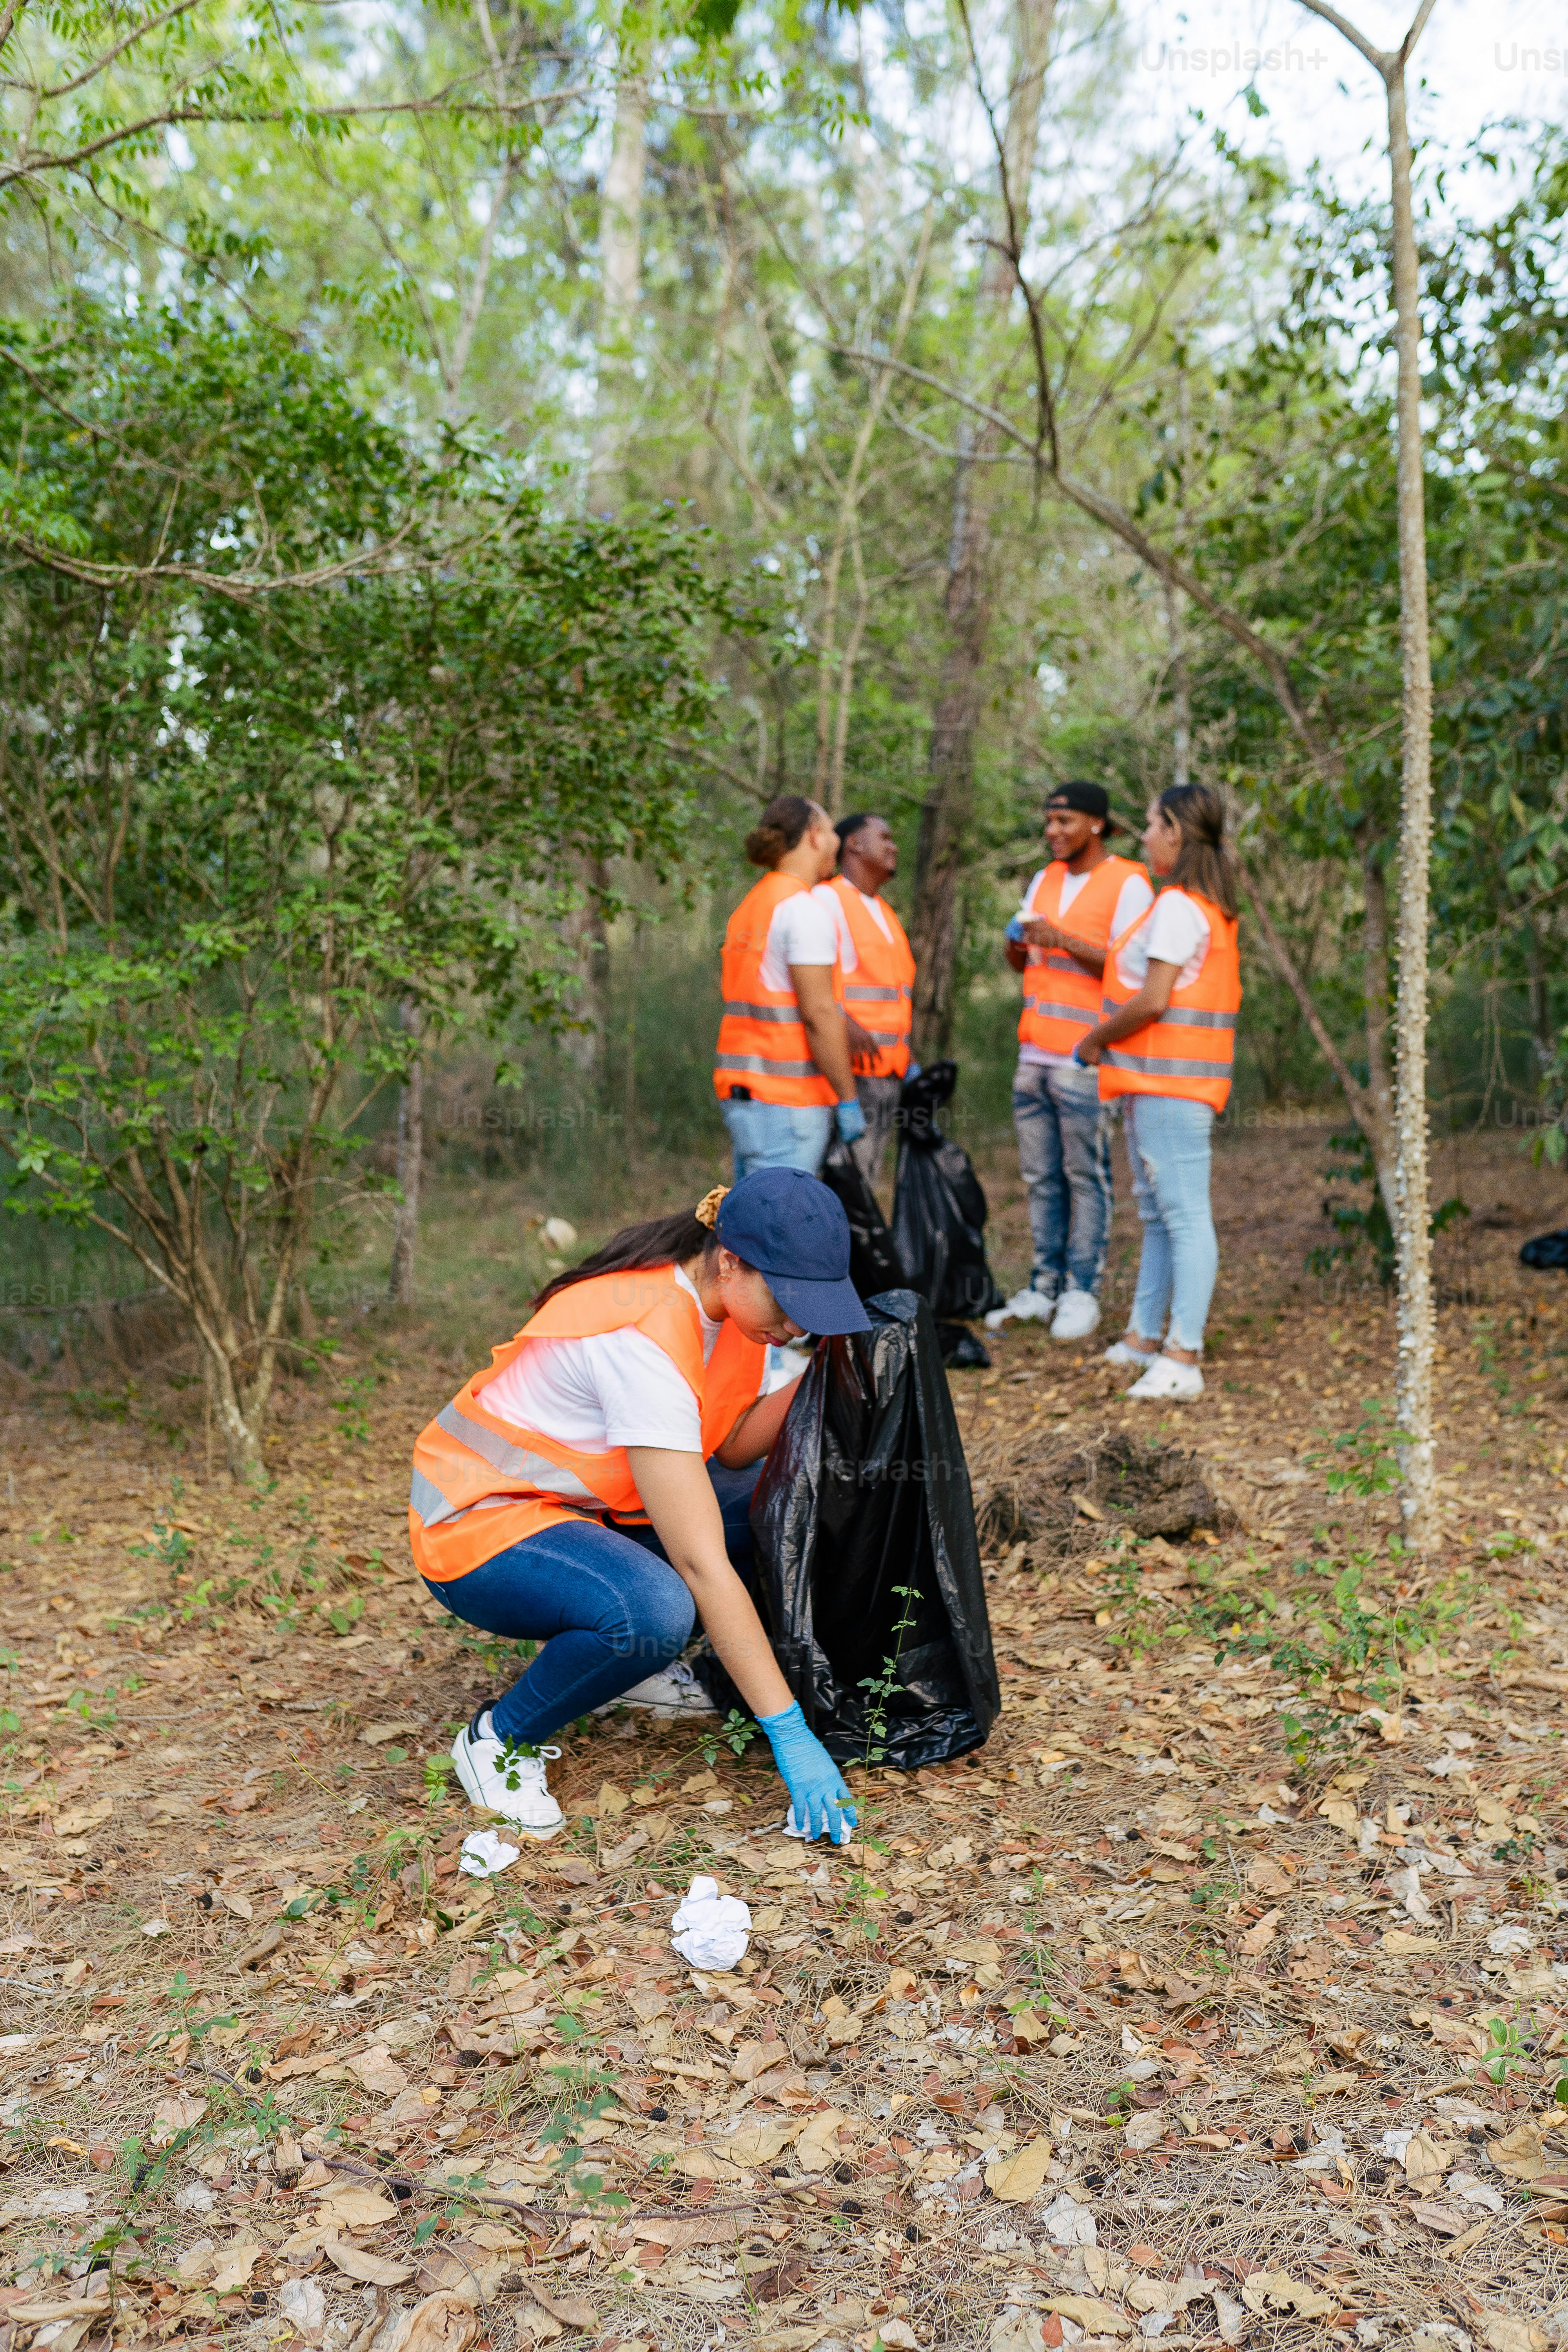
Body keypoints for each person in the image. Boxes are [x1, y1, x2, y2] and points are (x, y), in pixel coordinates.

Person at [409, 1170, 867, 1843]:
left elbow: (735, 1447)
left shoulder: (729, 1310)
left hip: (579, 1514)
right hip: (478, 1529)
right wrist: (789, 1733)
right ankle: (498, 1740)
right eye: (792, 1301)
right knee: (653, 1610)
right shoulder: (642, 1339)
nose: (798, 1323)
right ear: (731, 1262)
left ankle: (625, 1672)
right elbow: (700, 1561)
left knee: (780, 1501)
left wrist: (820, 1379)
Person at [1074, 781, 1241, 1403]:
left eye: (1150, 823)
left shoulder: (1180, 907)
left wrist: (1094, 1041)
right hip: (1164, 1083)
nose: (1143, 835)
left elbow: (1153, 998)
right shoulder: (1207, 908)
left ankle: (1183, 1354)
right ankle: (1146, 1337)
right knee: (1160, 1213)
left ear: (1175, 831)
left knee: (1184, 1214)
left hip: (1172, 1085)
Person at [987, 782, 1152, 1342]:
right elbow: (1027, 962)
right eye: (1049, 820)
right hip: (1033, 1052)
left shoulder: (1129, 881)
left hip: (1086, 1056)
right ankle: (1045, 1284)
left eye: (1065, 820)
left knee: (1086, 1175)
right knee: (1040, 1176)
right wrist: (1016, 944)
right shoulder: (1044, 878)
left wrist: (1061, 937)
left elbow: (1132, 970)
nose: (1053, 831)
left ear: (1097, 824)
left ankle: (1083, 1289)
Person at [714, 795, 865, 1178]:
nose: (836, 842)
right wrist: (848, 1098)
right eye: (832, 832)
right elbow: (818, 1015)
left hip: (745, 1096)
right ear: (814, 836)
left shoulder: (753, 905)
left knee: (749, 1224)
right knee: (778, 1230)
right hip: (788, 1103)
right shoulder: (803, 909)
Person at [826, 812, 917, 1184]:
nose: (894, 846)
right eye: (885, 837)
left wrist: (907, 1062)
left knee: (863, 1186)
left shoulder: (885, 913)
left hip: (887, 1075)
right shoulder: (827, 900)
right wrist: (842, 1021)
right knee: (836, 1187)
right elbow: (807, 979)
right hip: (848, 1074)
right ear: (854, 844)